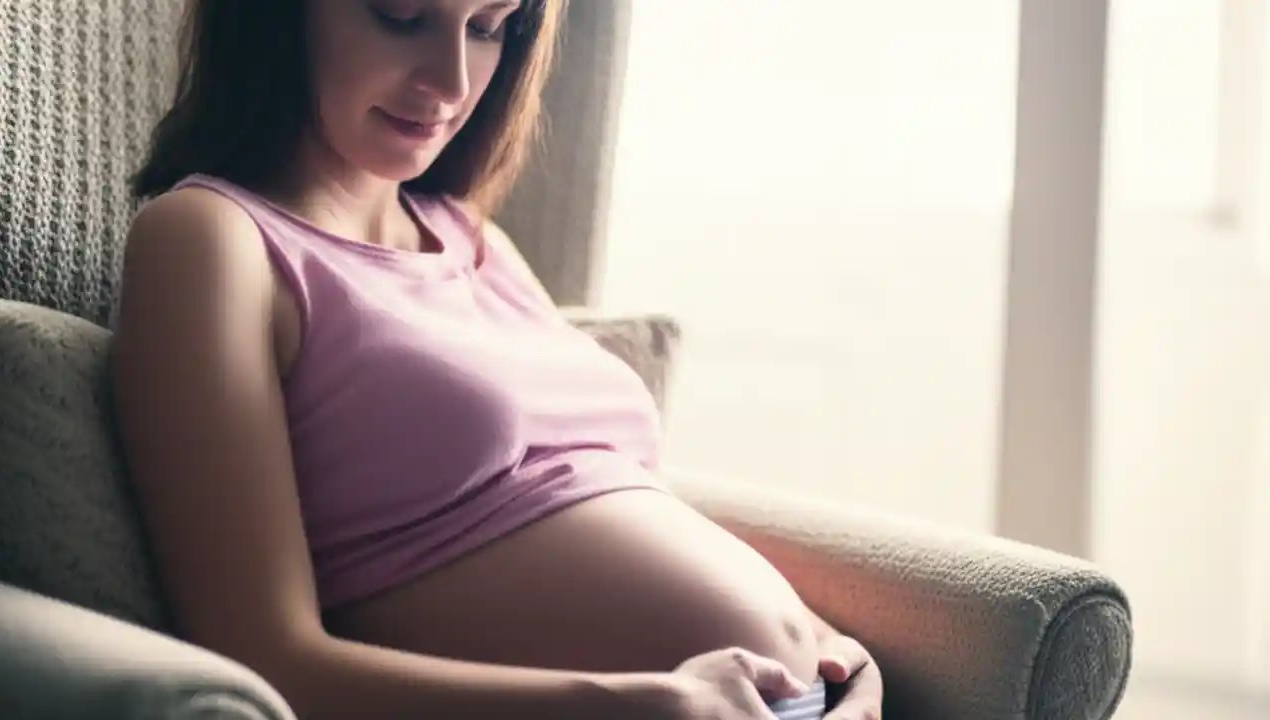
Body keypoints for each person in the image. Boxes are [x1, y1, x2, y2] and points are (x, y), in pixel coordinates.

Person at [111, 1, 884, 718]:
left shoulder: (470, 236)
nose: (451, 81)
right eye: (402, 15)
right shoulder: (211, 240)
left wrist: (822, 645)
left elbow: (598, 495)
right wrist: (623, 705)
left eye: (488, 26)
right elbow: (260, 659)